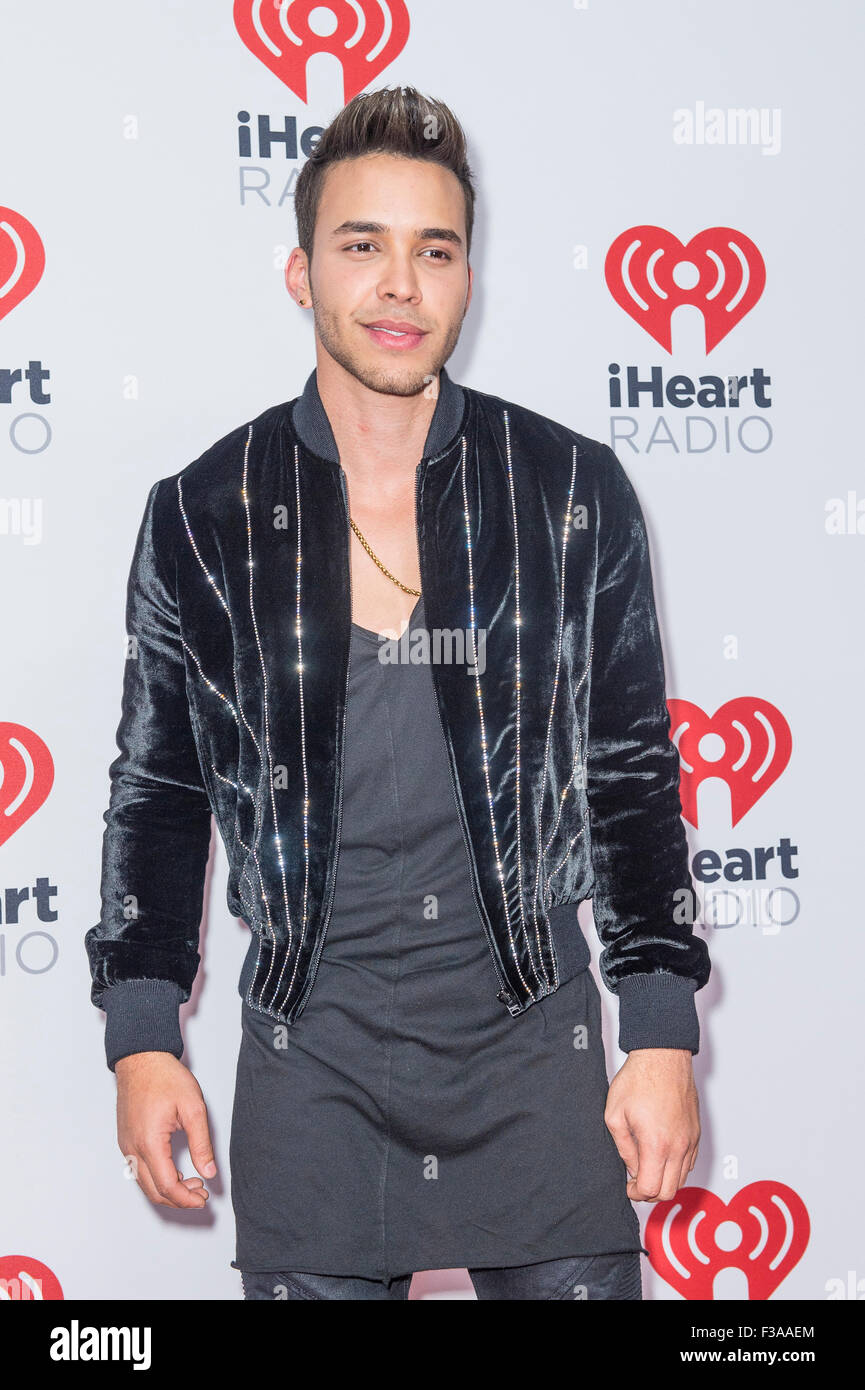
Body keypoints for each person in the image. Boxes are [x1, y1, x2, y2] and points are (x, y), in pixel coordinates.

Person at [86, 85, 711, 1301]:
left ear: (469, 278)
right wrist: (143, 1036)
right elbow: (157, 795)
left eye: (434, 250)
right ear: (299, 270)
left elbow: (632, 772)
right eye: (360, 244)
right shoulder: (206, 517)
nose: (397, 283)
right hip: (309, 1064)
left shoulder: (569, 491)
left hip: (536, 1053)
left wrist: (660, 1029)